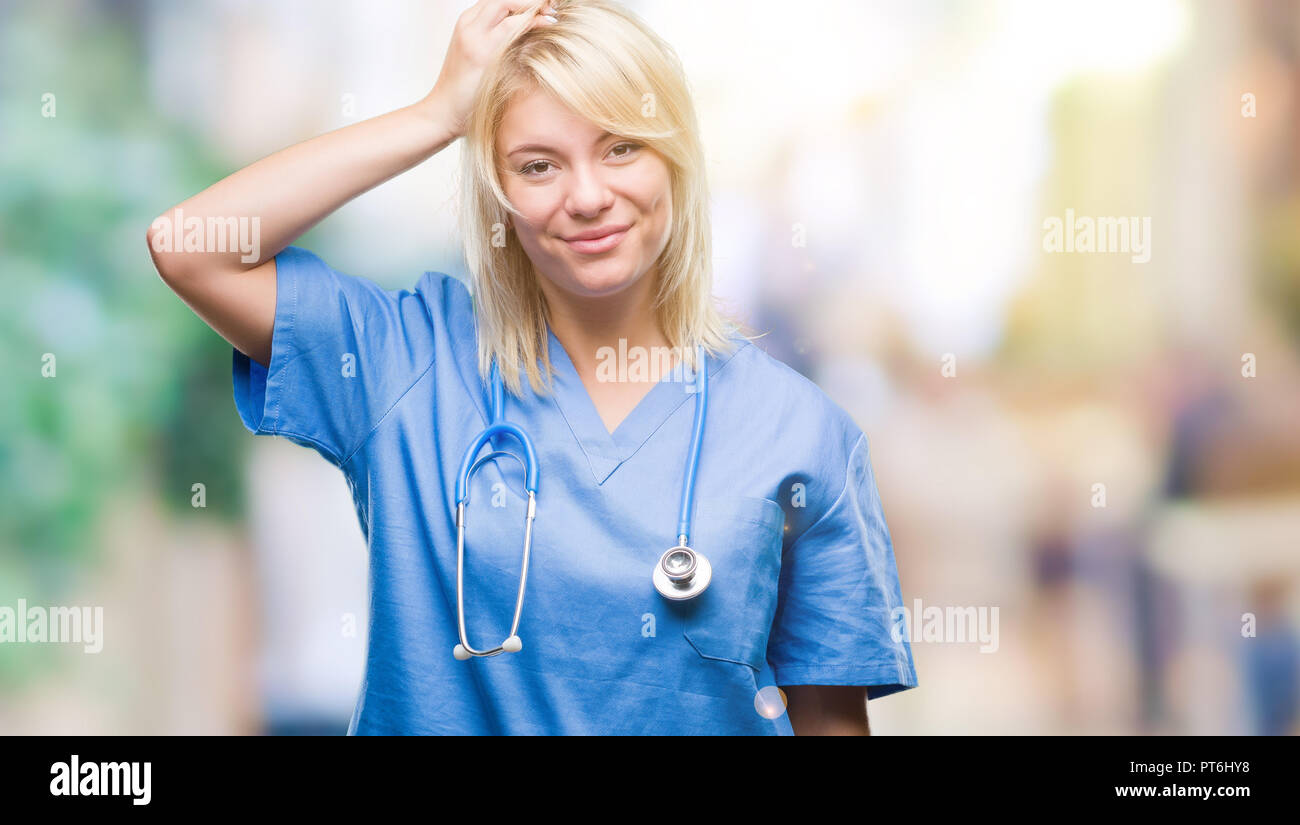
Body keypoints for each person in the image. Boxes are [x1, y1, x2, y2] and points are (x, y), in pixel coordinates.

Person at [148, 0, 917, 735]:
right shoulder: (403, 362)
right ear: (498, 195)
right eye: (538, 164)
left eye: (622, 147)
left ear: (676, 158)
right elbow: (192, 247)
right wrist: (438, 114)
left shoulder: (802, 433)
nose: (588, 196)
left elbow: (829, 721)